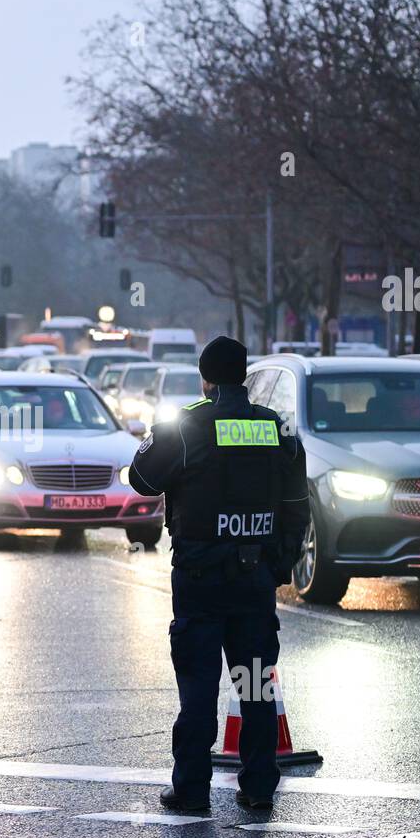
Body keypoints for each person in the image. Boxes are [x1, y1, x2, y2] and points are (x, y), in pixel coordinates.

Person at [129, 336, 310, 812]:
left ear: (204, 378)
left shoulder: (188, 427)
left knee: (198, 686)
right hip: (254, 581)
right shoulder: (274, 428)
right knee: (255, 684)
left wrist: (160, 432)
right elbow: (296, 507)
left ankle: (190, 790)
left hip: (200, 580)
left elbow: (142, 479)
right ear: (244, 377)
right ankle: (258, 787)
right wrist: (279, 565)